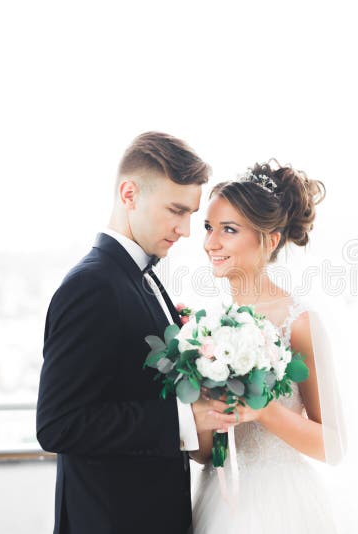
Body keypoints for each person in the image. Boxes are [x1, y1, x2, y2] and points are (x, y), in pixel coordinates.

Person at [191, 161, 358, 533]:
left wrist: (265, 411)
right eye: (208, 227)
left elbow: (333, 446)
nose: (210, 243)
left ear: (270, 240)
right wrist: (204, 417)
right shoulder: (207, 325)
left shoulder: (297, 322)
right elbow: (206, 453)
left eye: (228, 229)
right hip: (218, 498)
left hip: (281, 506)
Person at [36, 132, 238, 534]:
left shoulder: (139, 276)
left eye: (190, 214)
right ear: (129, 194)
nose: (185, 230)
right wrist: (183, 418)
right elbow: (59, 423)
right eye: (176, 211)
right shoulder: (91, 285)